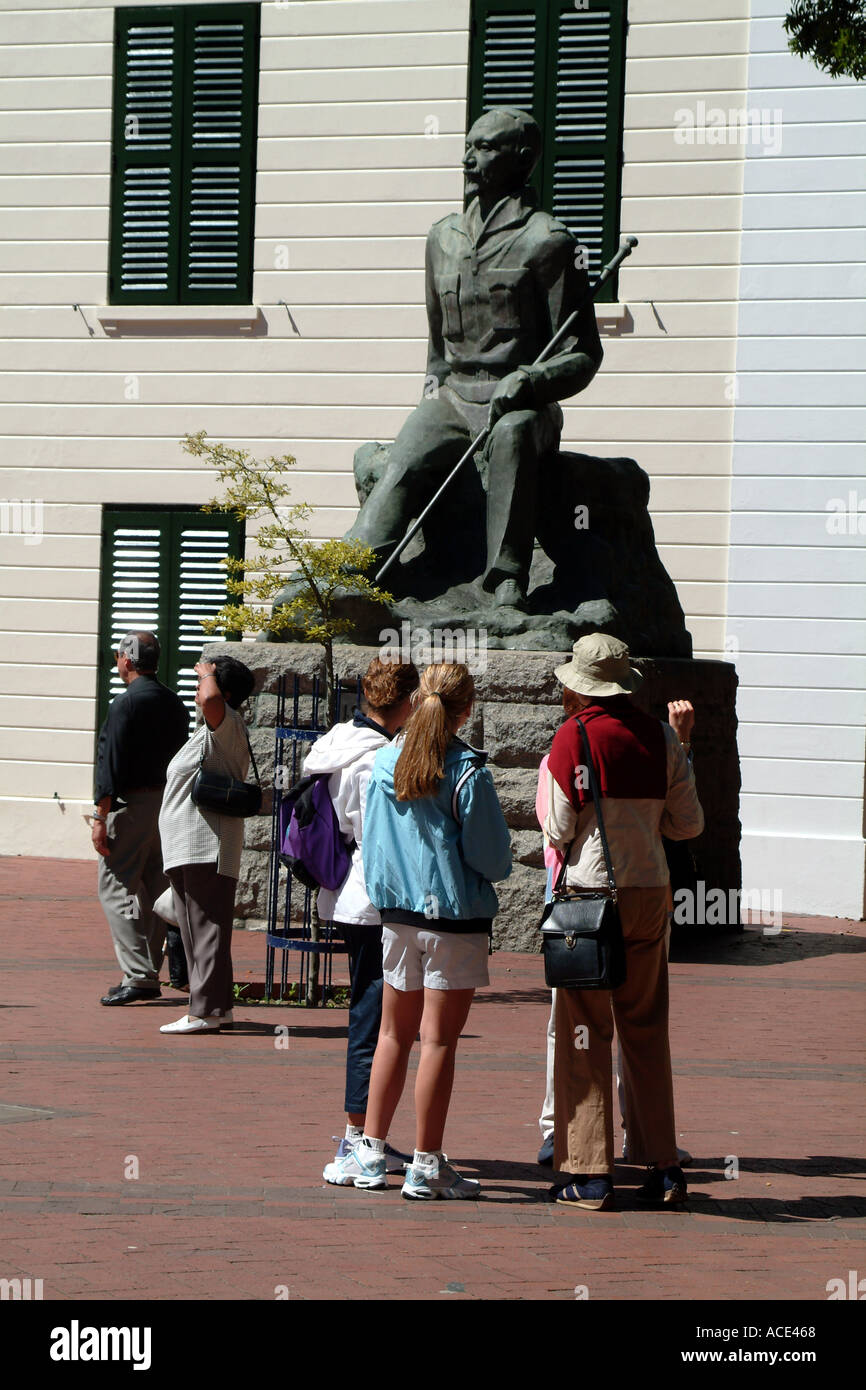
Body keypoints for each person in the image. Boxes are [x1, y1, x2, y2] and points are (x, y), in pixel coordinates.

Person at [347, 106, 602, 610]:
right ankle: (355, 572)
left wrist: (532, 381)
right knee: (405, 455)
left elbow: (583, 354)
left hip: (523, 404)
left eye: (485, 148)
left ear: (523, 160)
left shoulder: (548, 242)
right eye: (468, 145)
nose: (468, 158)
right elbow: (436, 349)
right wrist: (429, 403)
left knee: (510, 436)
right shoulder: (442, 239)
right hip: (454, 396)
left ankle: (505, 579)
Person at [324, 663, 512, 1198]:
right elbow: (493, 859)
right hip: (453, 921)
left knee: (391, 1035)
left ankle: (369, 1152)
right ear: (466, 711)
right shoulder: (467, 773)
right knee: (438, 1043)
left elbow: (376, 850)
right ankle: (426, 1164)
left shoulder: (385, 762)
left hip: (398, 918)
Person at [542, 634, 704, 1210]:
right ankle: (663, 1165)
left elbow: (559, 828)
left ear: (579, 685)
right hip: (650, 893)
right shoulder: (660, 737)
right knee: (646, 1029)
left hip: (591, 897)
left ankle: (589, 1172)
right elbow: (688, 824)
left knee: (583, 1035)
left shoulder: (573, 737)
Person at [305, 657, 419, 1179]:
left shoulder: (338, 740)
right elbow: (379, 833)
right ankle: (357, 1137)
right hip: (372, 900)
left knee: (370, 1014)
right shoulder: (377, 757)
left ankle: (365, 1133)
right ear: (407, 702)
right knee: (371, 1018)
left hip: (346, 894)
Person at [157, 654, 256, 1035]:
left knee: (206, 929)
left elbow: (213, 700)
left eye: (202, 684)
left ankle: (205, 1010)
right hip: (189, 846)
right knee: (196, 929)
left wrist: (208, 672)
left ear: (223, 691)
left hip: (206, 845)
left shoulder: (227, 723)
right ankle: (216, 1007)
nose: (198, 691)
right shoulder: (207, 732)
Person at [92, 631, 189, 1006]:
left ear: (128, 661)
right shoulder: (173, 702)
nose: (117, 662)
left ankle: (139, 974)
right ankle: (147, 969)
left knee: (117, 886)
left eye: (118, 656)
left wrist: (100, 816)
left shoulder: (125, 705)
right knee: (150, 885)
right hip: (166, 805)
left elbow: (110, 763)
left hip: (132, 805)